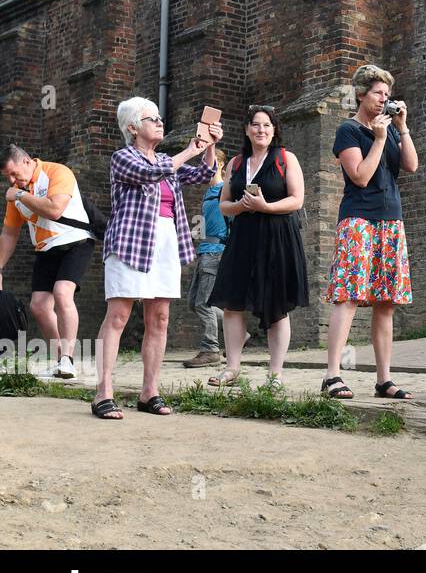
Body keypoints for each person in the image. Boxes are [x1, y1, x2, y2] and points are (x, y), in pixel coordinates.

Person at [92, 99, 221, 420]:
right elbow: (152, 172)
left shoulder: (167, 158)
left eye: (161, 118)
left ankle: (149, 391)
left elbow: (204, 173)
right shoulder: (122, 157)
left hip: (166, 243)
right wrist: (189, 150)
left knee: (160, 317)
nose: (161, 123)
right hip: (130, 242)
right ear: (133, 128)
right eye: (153, 119)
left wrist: (208, 146)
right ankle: (103, 392)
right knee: (118, 316)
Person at [321, 64, 418, 402]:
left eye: (388, 95)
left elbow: (411, 166)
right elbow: (360, 175)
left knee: (386, 302)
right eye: (378, 93)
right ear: (361, 94)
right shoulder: (348, 130)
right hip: (358, 219)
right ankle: (333, 374)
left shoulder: (390, 129)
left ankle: (384, 379)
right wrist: (378, 139)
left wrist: (401, 129)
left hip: (391, 220)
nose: (384, 100)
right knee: (347, 296)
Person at [207, 108, 309, 389]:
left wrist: (266, 207)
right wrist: (242, 206)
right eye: (255, 124)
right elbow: (224, 204)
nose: (261, 129)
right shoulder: (237, 163)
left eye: (267, 125)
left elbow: (296, 200)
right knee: (231, 302)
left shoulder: (286, 159)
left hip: (278, 237)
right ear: (247, 129)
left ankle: (275, 374)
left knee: (277, 305)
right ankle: (232, 368)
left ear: (274, 130)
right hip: (243, 237)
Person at [0, 144, 96, 380]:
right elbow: (9, 233)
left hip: (76, 242)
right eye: (8, 177)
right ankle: (60, 361)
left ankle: (68, 360)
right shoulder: (16, 192)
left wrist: (21, 195)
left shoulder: (57, 172)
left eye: (14, 173)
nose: (13, 180)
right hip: (45, 249)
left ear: (25, 161)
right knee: (39, 306)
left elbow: (54, 210)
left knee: (63, 293)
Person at [183, 148, 227, 369]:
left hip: (216, 253)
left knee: (204, 303)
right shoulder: (208, 193)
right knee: (194, 303)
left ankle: (210, 349)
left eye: (209, 162)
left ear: (219, 165)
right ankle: (235, 328)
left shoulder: (224, 191)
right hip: (203, 251)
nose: (205, 166)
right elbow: (203, 226)